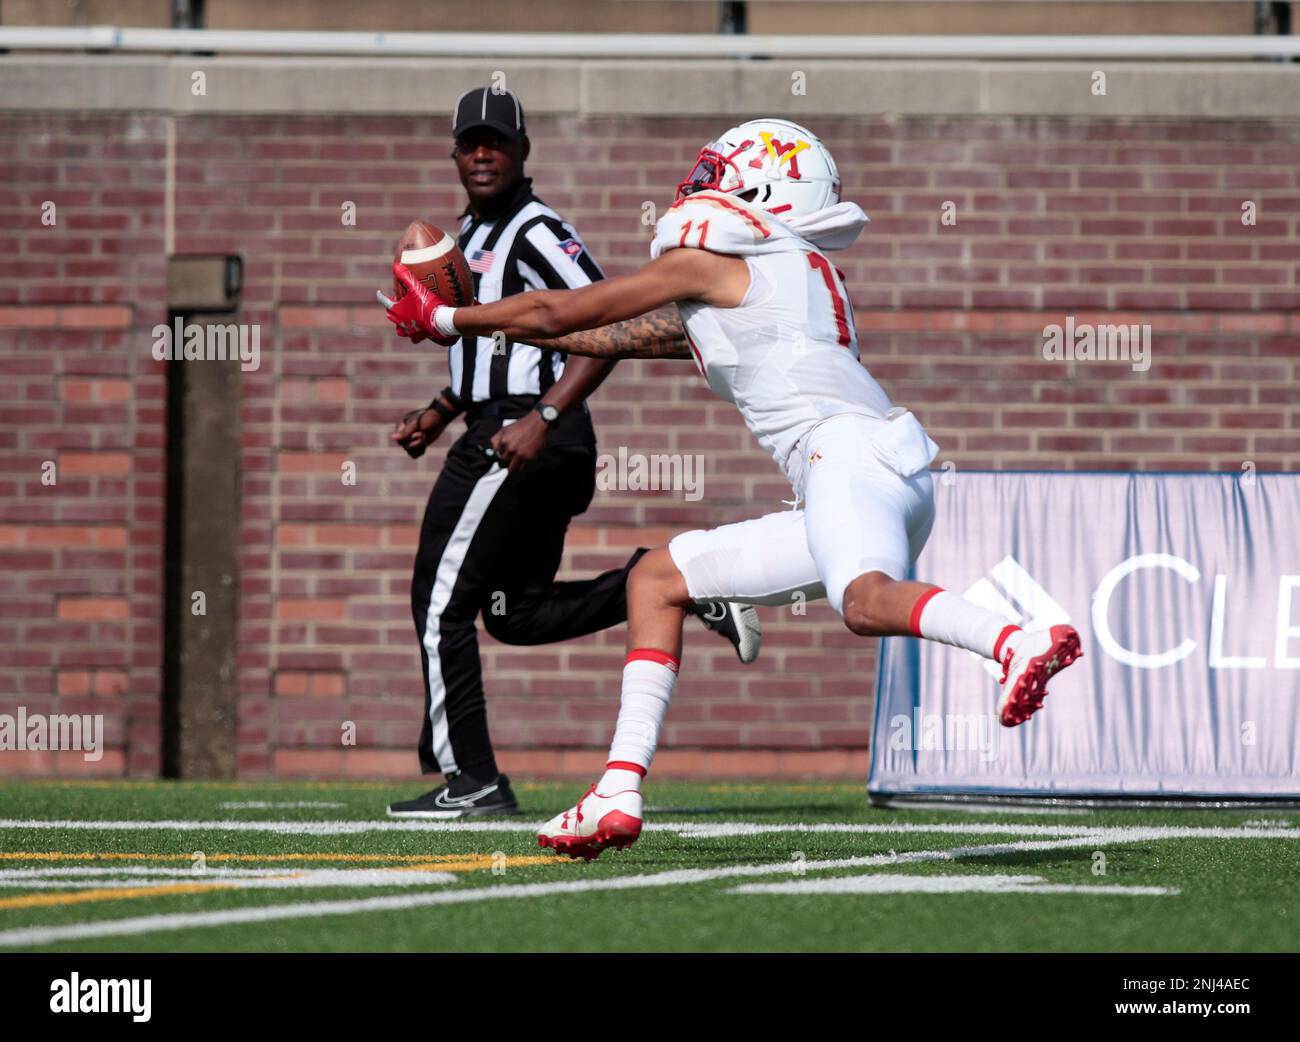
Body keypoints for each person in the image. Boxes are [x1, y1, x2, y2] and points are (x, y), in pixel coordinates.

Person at [381, 117, 1081, 852]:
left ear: (761, 185)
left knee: (865, 602)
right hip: (875, 472)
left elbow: (563, 306)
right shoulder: (779, 268)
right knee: (657, 579)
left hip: (845, 461)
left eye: (720, 172)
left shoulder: (717, 262)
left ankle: (1013, 638)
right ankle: (617, 788)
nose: (703, 186)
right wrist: (486, 329)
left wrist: (448, 316)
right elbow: (602, 334)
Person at [386, 88, 759, 820]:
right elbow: (496, 348)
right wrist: (439, 409)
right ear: (456, 154)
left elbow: (604, 323)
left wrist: (545, 416)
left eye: (497, 142)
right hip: (503, 428)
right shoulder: (471, 237)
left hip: (524, 438)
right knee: (512, 613)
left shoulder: (534, 229)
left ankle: (472, 777)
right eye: (470, 144)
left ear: (523, 152)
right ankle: (677, 580)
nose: (483, 154)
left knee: (437, 603)